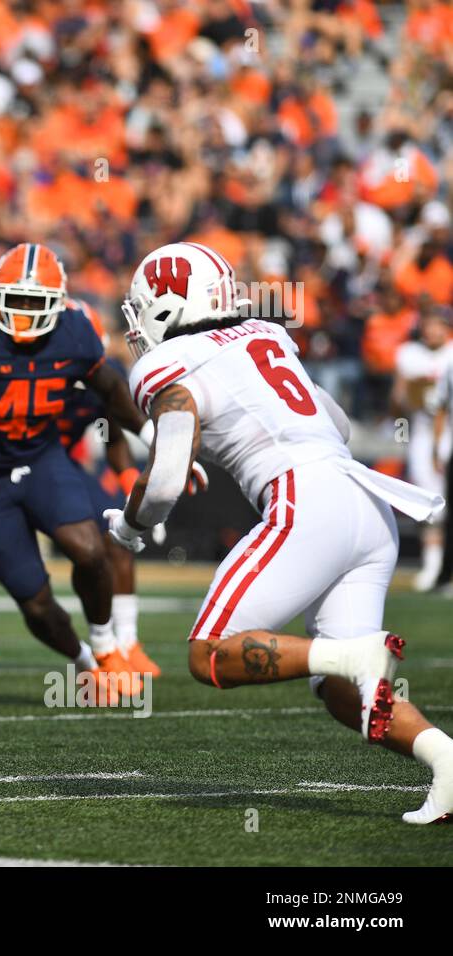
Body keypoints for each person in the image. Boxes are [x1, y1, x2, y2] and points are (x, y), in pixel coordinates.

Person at [104, 240, 451, 825]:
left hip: (306, 498)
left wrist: (133, 525)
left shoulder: (170, 362)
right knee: (343, 690)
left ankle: (356, 655)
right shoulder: (266, 337)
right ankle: (447, 761)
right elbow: (333, 421)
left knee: (209, 655)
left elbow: (164, 479)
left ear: (163, 308)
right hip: (366, 503)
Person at [0, 243, 181, 702]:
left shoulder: (74, 334)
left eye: (36, 301)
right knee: (34, 600)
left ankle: (107, 645)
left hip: (42, 460)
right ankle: (83, 664)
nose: (24, 311)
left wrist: (154, 439)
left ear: (58, 302)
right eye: (16, 299)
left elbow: (111, 389)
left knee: (90, 548)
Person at [392, 308, 452, 590]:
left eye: (438, 324)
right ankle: (433, 564)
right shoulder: (408, 354)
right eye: (429, 325)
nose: (433, 331)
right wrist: (401, 438)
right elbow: (399, 405)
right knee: (428, 501)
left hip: (448, 428)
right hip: (420, 431)